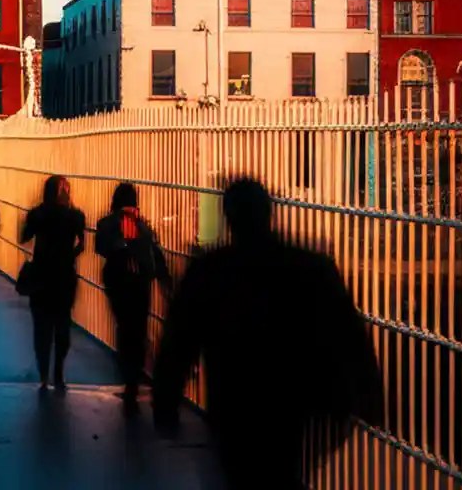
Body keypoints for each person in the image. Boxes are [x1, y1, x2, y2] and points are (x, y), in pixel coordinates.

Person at [152, 178, 383, 489]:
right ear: (268, 213)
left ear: (229, 218)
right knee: (284, 470)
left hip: (232, 401)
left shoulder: (210, 272)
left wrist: (165, 399)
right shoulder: (310, 267)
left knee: (241, 474)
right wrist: (369, 395)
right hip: (293, 399)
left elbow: (178, 340)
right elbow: (349, 333)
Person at [94, 182, 168, 415]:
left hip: (117, 281)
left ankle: (129, 376)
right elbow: (154, 254)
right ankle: (135, 376)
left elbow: (101, 248)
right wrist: (165, 279)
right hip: (141, 282)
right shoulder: (143, 225)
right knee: (138, 326)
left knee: (125, 325)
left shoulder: (106, 224)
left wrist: (121, 245)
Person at [20, 175, 86, 391]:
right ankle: (58, 370)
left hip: (40, 274)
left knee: (41, 327)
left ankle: (43, 374)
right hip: (64, 276)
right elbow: (81, 245)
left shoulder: (37, 214)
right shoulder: (75, 216)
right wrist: (68, 256)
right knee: (62, 323)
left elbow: (24, 237)